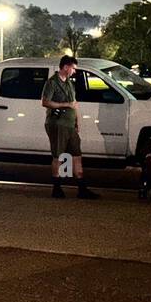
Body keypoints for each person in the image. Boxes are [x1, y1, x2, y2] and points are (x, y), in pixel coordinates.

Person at [41, 55, 99, 199]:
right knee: (59, 156)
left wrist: (78, 121)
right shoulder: (52, 83)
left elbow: (74, 103)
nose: (74, 71)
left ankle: (82, 189)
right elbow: (45, 102)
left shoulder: (69, 83)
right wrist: (65, 105)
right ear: (66, 67)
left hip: (70, 125)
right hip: (57, 124)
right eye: (73, 68)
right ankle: (57, 188)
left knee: (76, 155)